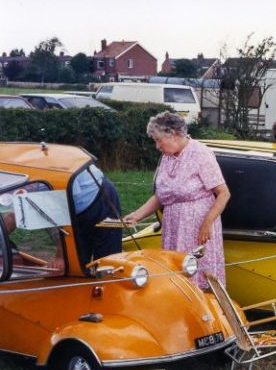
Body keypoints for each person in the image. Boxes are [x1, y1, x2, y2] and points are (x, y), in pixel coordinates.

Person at [124, 111, 230, 289]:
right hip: (174, 227)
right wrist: (136, 215)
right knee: (175, 275)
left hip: (197, 227)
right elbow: (162, 195)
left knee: (195, 274)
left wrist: (207, 223)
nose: (157, 146)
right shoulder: (167, 157)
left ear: (173, 134)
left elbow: (223, 193)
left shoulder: (201, 154)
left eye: (158, 140)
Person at [71, 166, 123, 268]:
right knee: (76, 261)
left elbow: (65, 200)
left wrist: (60, 254)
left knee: (107, 261)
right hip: (76, 210)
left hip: (100, 197)